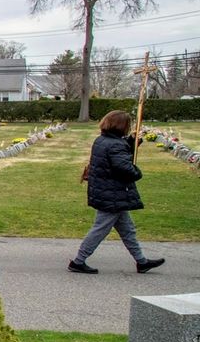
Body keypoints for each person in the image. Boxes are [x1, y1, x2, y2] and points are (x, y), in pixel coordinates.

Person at [68, 110, 165, 275]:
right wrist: (136, 172)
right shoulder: (115, 144)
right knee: (100, 229)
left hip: (108, 191)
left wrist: (133, 142)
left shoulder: (102, 140)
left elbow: (118, 153)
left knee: (128, 230)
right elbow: (123, 166)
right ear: (121, 126)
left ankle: (141, 262)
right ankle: (78, 261)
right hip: (112, 194)